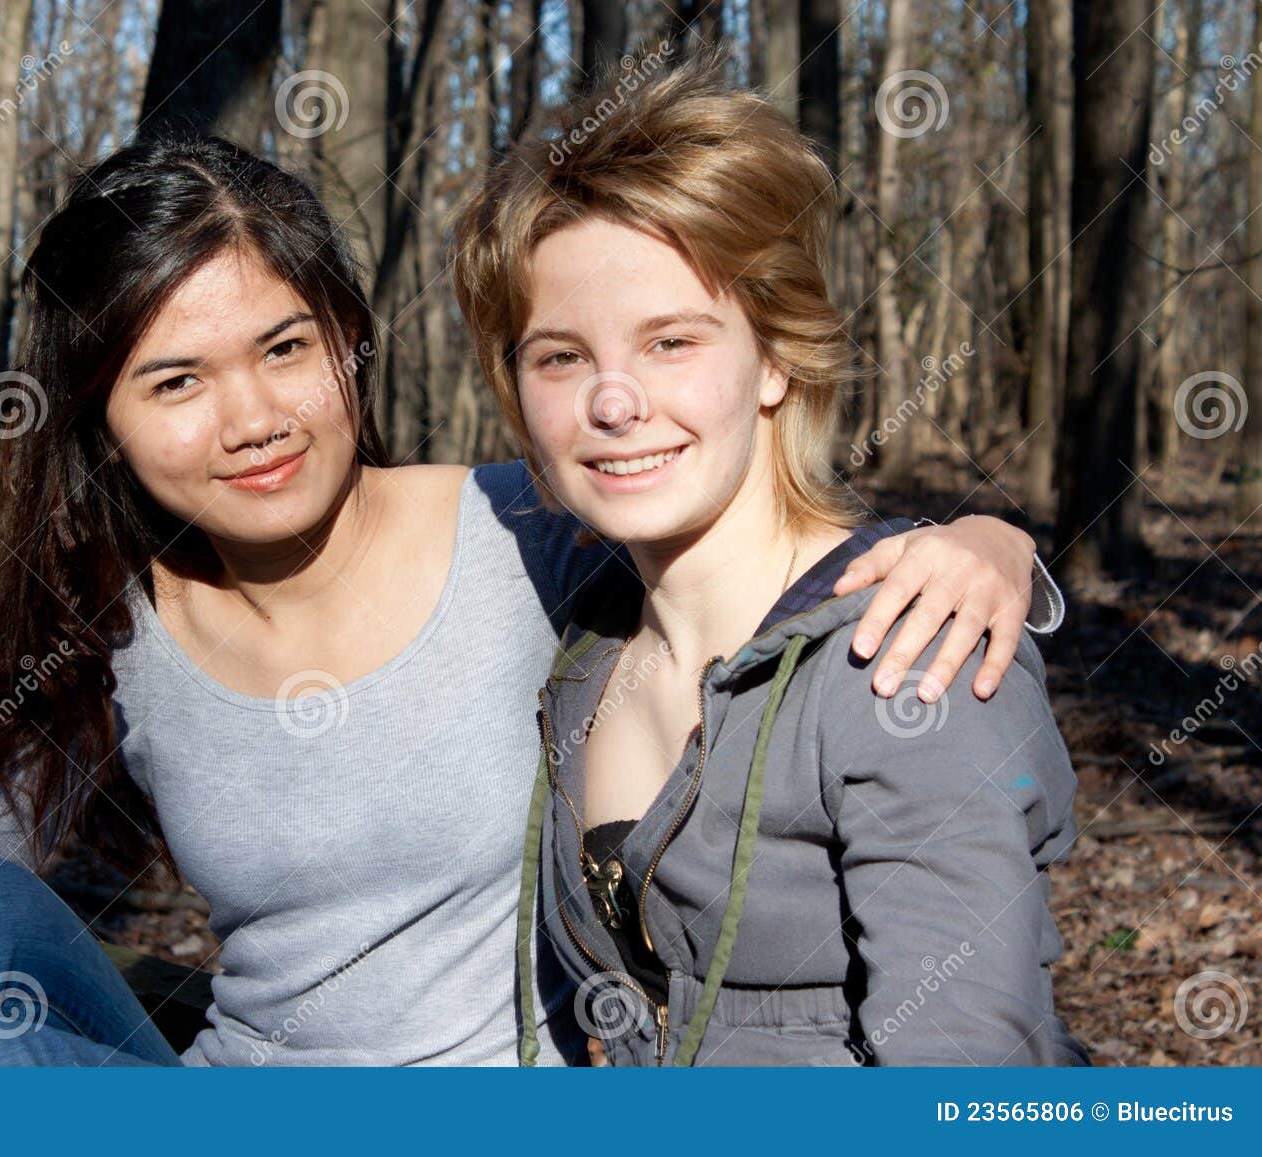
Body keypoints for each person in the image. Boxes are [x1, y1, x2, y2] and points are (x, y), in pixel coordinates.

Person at [0, 128, 1059, 1068]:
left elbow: (748, 542)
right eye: (175, 381)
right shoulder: (114, 635)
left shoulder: (526, 533)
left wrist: (994, 544)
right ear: (106, 424)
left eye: (285, 347)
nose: (252, 419)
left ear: (349, 337)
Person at [448, 52, 1088, 1066]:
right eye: (560, 355)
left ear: (776, 357)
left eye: (670, 342)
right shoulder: (581, 642)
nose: (612, 402)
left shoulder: (904, 651)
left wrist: (992, 543)